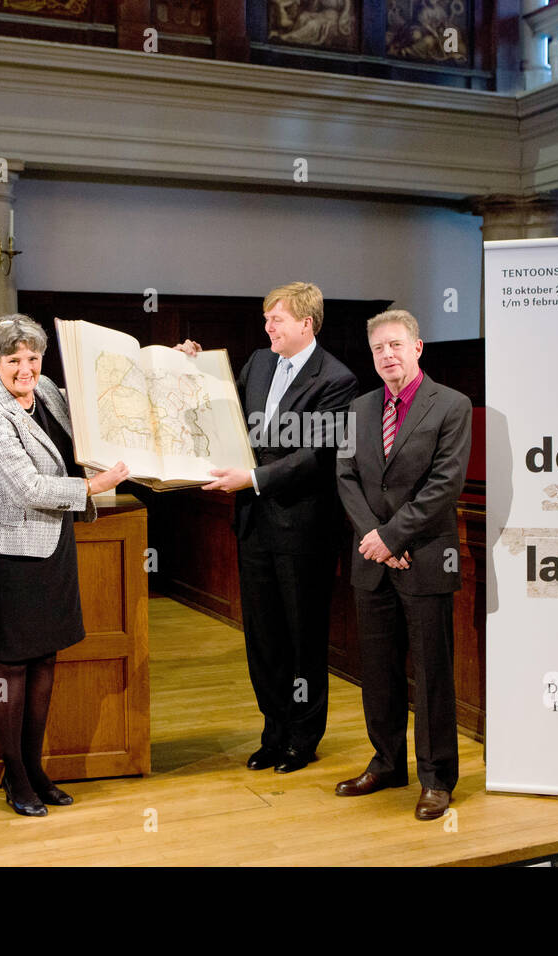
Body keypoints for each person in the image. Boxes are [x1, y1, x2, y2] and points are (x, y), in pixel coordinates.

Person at [177, 282, 358, 773]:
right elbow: (224, 413)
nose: (267, 328)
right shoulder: (258, 362)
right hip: (255, 525)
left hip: (304, 530)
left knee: (303, 638)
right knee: (263, 638)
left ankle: (304, 737)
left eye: (276, 319)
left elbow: (316, 457)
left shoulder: (337, 379)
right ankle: (273, 732)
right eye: (266, 319)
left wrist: (253, 478)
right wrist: (192, 367)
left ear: (307, 323)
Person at [0, 314, 129, 816]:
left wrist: (177, 360)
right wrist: (92, 487)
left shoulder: (51, 393)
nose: (25, 367)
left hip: (51, 546)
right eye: (13, 359)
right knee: (11, 665)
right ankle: (13, 777)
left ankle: (35, 769)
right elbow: (28, 489)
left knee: (45, 659)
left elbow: (113, 391)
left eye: (32, 357)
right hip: (8, 553)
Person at [333, 309, 471, 820]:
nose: (386, 355)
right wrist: (376, 540)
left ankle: (437, 777)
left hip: (426, 559)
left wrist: (392, 537)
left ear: (417, 347)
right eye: (377, 349)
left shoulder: (451, 405)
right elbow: (345, 478)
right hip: (372, 559)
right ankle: (387, 762)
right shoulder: (359, 408)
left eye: (395, 345)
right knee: (379, 670)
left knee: (431, 672)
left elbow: (445, 484)